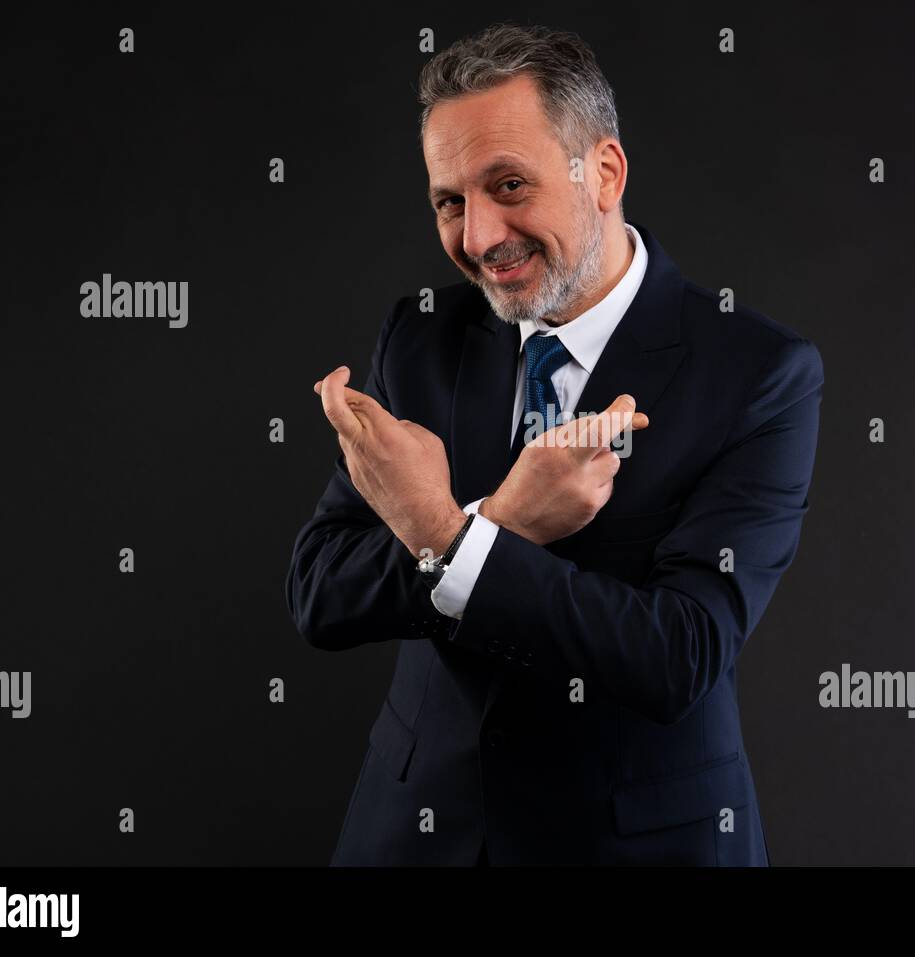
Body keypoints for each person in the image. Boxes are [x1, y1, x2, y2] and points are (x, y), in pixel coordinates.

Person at [284, 22, 824, 866]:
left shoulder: (758, 372)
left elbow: (680, 653)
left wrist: (451, 536)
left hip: (636, 844)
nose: (478, 237)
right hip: (419, 832)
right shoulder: (421, 338)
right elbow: (320, 591)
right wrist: (496, 521)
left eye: (509, 185)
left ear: (603, 173)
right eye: (450, 201)